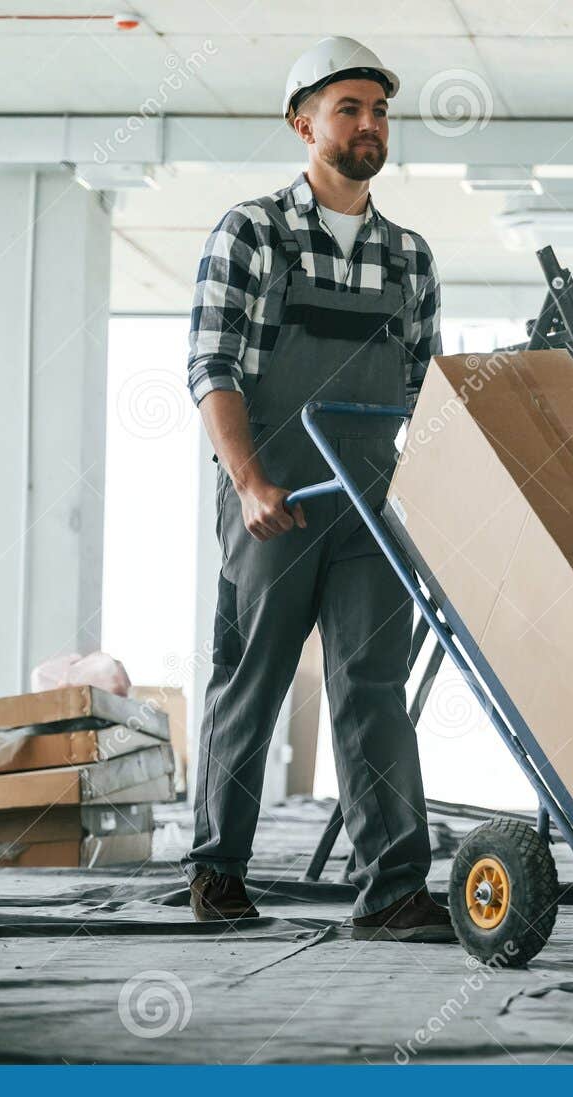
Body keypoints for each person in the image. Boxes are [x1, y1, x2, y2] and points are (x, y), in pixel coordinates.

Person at [181, 36, 453, 943]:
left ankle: (393, 889)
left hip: (370, 509)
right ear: (305, 123)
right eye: (350, 109)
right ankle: (218, 870)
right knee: (250, 680)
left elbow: (424, 393)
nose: (370, 124)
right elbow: (211, 366)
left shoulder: (411, 259)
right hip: (276, 493)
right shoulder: (251, 232)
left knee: (372, 685)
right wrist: (249, 478)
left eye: (380, 111)